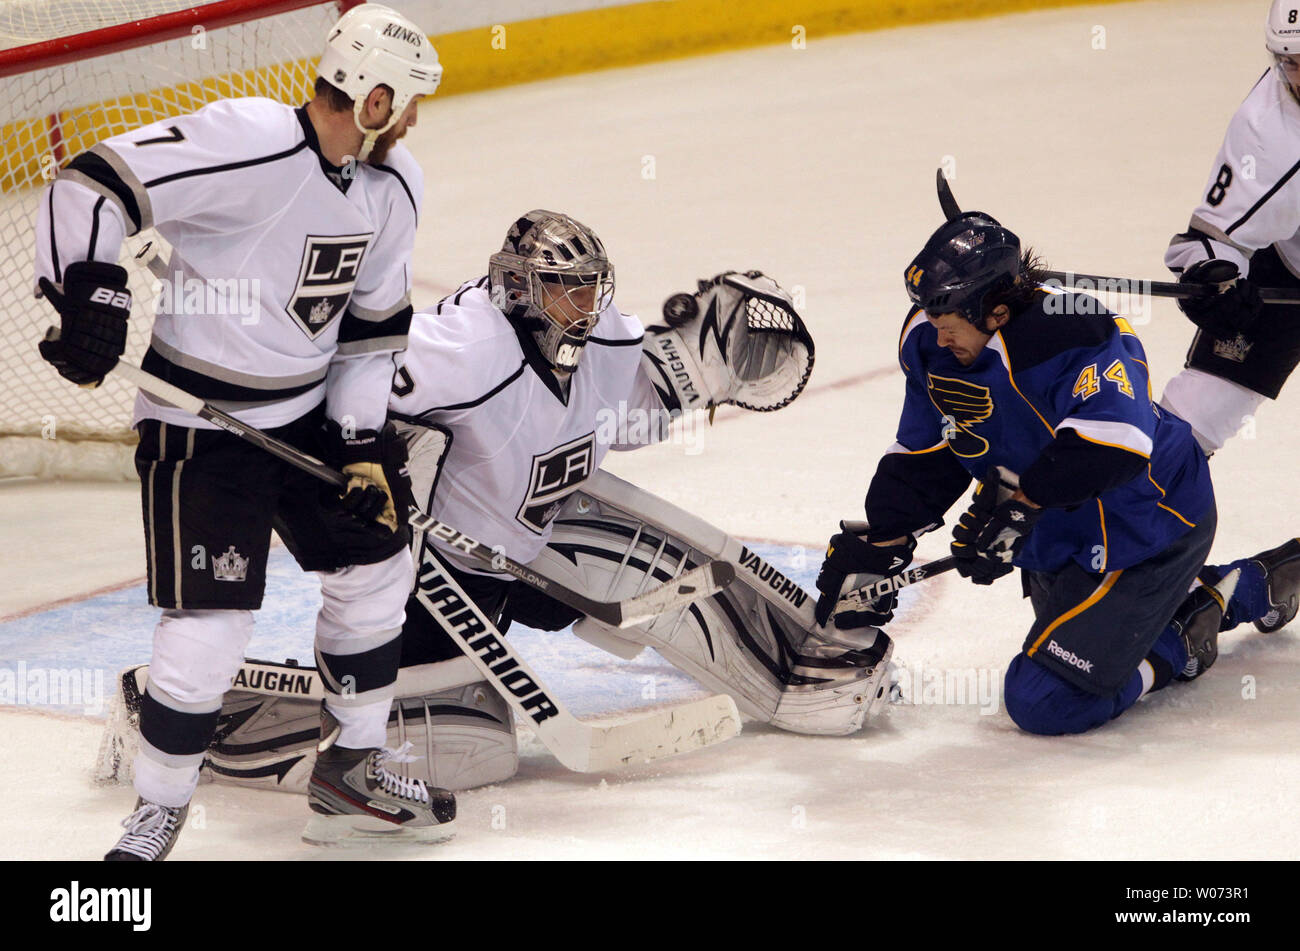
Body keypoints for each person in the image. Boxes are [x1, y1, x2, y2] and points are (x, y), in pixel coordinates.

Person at [33, 4, 451, 857]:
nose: (412, 121)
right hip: (199, 425)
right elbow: (92, 183)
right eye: (404, 102)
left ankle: (354, 767)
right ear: (372, 101)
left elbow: (371, 331)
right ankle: (158, 810)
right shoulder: (248, 141)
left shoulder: (395, 185)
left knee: (377, 564)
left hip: (309, 417)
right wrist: (90, 290)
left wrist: (365, 444)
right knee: (210, 625)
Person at [813, 209, 1299, 735]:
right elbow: (931, 446)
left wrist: (1019, 510)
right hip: (1059, 530)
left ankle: (1212, 608)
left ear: (996, 311)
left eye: (947, 324)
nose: (935, 335)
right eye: (930, 319)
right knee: (1072, 657)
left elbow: (1118, 445)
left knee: (1045, 701)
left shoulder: (1074, 332)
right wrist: (886, 537)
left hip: (1146, 525)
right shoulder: (931, 341)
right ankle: (1183, 608)